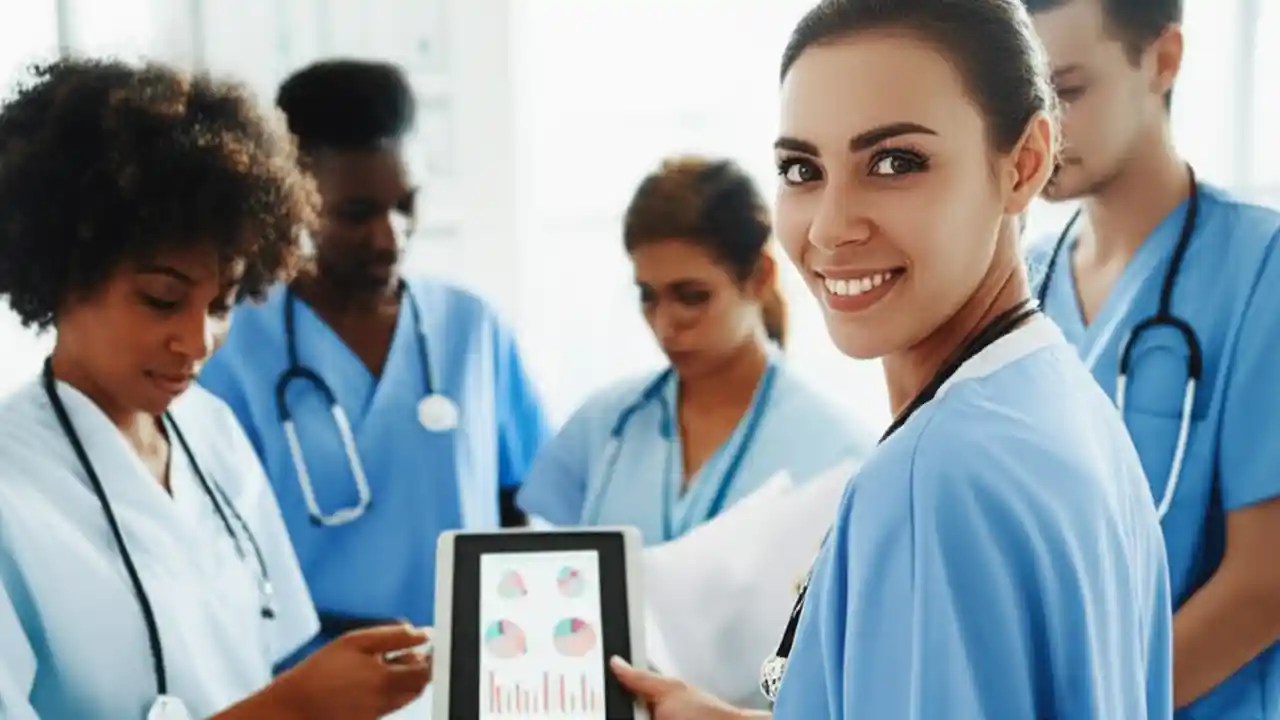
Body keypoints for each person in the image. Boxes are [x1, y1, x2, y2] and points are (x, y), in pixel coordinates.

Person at [607, 0, 1173, 717]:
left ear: (1023, 164)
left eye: (895, 162)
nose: (832, 226)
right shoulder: (1061, 402)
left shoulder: (931, 475)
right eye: (801, 169)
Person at [0, 59, 430, 720]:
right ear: (62, 275)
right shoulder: (12, 489)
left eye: (224, 303)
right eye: (162, 300)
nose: (198, 342)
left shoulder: (213, 433)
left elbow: (277, 656)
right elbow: (282, 702)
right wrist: (293, 710)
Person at [198, 60, 552, 650]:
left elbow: (525, 509)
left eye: (406, 204)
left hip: (466, 663)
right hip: (309, 675)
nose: (390, 237)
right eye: (355, 213)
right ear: (292, 200)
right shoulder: (232, 346)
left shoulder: (470, 328)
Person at [1022, 1, 1280, 717]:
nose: (1039, 130)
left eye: (1067, 91)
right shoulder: (1024, 279)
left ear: (1163, 61)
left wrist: (1095, 708)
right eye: (1025, 99)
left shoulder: (1264, 268)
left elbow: (1267, 583)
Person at [516, 156, 869, 544]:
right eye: (648, 297)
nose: (665, 324)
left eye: (692, 297)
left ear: (759, 277)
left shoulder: (836, 451)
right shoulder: (604, 425)